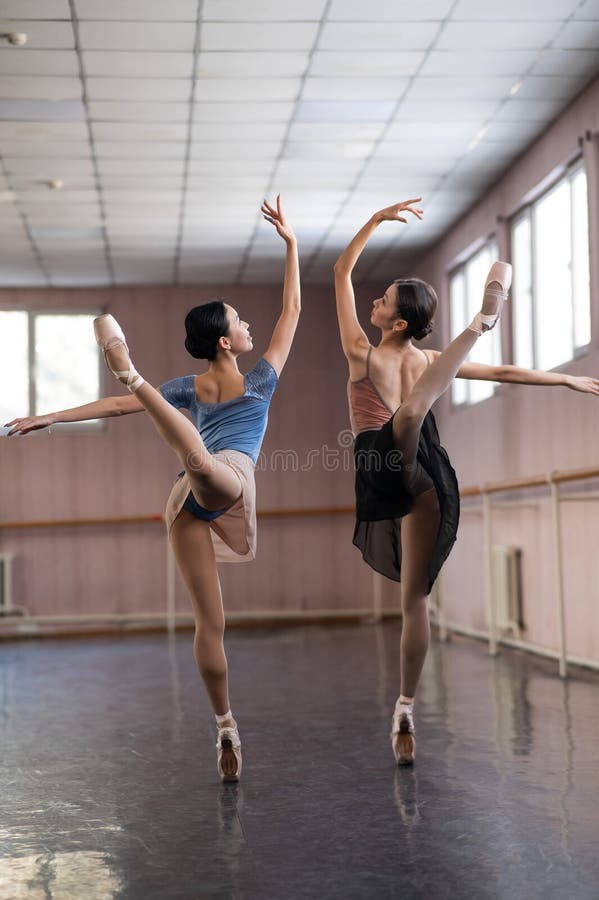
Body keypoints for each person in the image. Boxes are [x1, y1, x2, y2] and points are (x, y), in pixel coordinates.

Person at [7, 197, 300, 783]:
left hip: (200, 490)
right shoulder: (251, 380)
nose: (247, 326)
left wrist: (292, 245)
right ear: (224, 341)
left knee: (198, 472)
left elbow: (290, 308)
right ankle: (224, 727)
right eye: (240, 321)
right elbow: (117, 407)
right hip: (213, 483)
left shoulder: (215, 386)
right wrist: (53, 415)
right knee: (208, 606)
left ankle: (225, 727)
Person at [333, 197, 598, 767]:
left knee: (416, 602)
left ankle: (405, 708)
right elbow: (500, 371)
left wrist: (565, 380)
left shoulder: (367, 352)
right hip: (395, 460)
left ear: (395, 322)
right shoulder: (420, 359)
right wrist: (564, 381)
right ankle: (482, 322)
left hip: (413, 466)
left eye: (381, 302)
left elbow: (340, 272)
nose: (372, 302)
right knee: (408, 414)